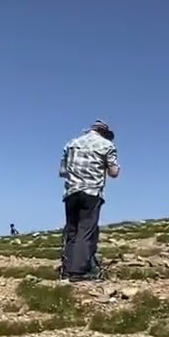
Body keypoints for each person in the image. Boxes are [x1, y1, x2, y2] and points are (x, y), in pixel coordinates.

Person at [59, 119, 119, 282]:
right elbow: (113, 173)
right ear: (105, 133)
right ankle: (79, 272)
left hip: (71, 191)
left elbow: (62, 171)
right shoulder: (107, 146)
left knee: (72, 231)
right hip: (92, 192)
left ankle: (66, 270)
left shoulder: (71, 144)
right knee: (86, 230)